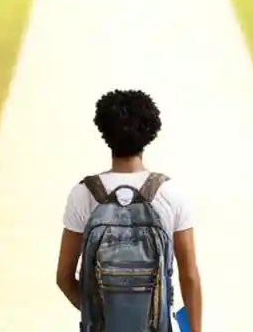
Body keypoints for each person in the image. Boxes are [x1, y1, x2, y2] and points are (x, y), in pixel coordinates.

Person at [56, 89, 203, 332]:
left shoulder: (83, 194)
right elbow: (189, 277)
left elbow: (64, 277)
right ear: (150, 133)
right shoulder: (170, 194)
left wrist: (103, 315)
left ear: (104, 132)